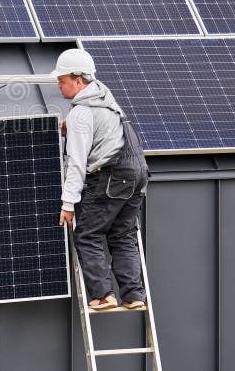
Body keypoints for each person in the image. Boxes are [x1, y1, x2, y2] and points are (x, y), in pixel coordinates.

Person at [53, 48, 149, 311]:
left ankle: (103, 296)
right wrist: (69, 126)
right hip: (138, 173)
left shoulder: (81, 113)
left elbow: (76, 161)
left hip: (111, 175)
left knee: (87, 234)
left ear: (78, 80)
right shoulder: (105, 98)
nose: (59, 86)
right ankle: (133, 296)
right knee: (123, 235)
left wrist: (68, 204)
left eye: (62, 80)